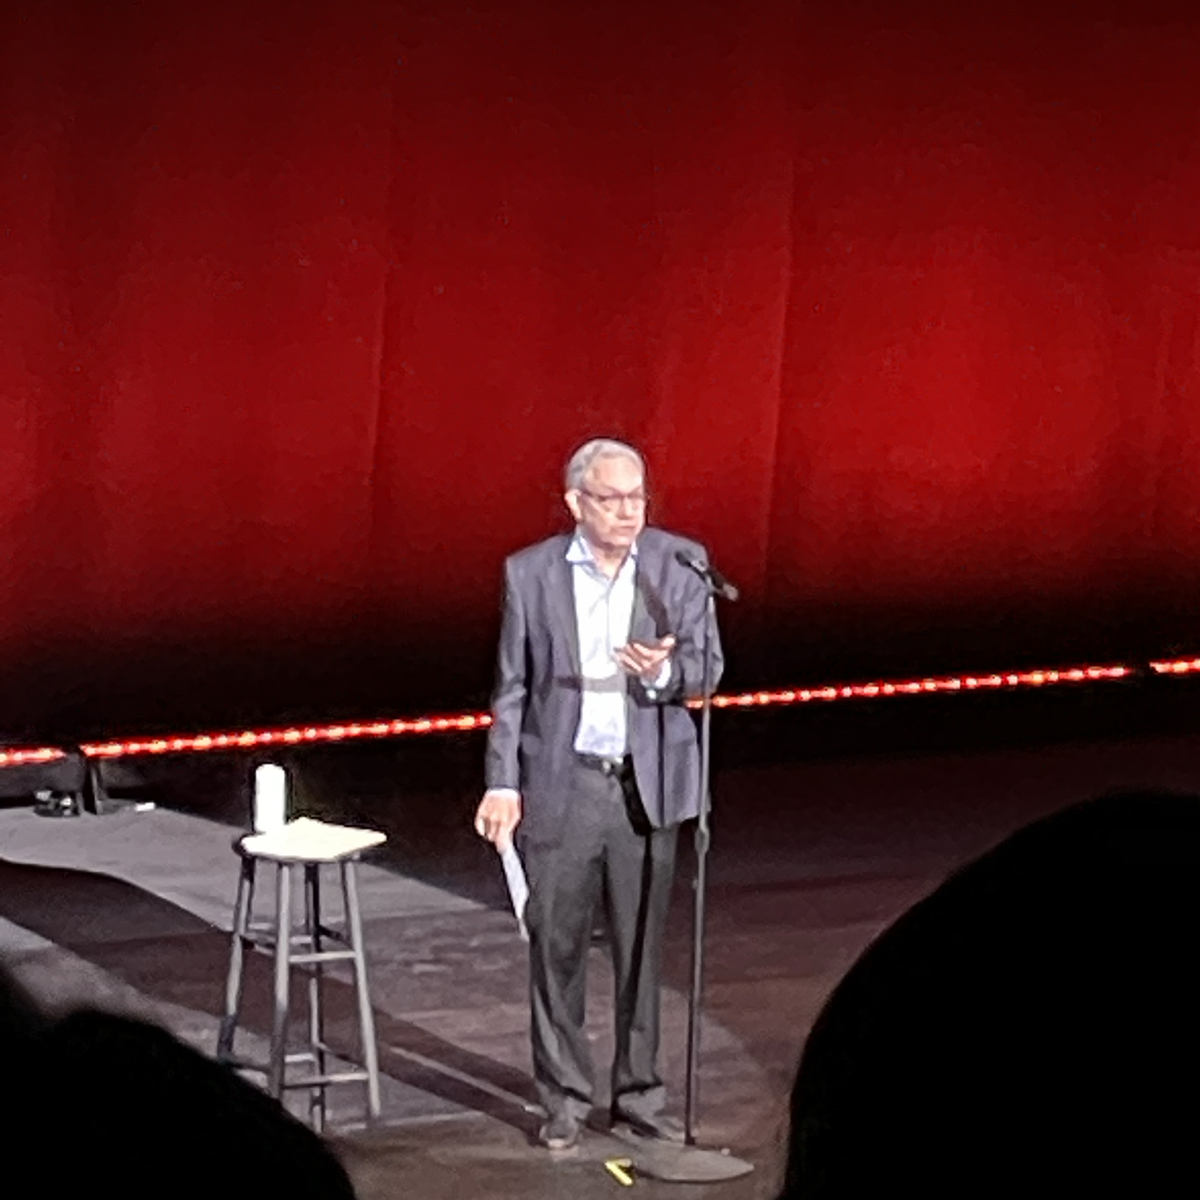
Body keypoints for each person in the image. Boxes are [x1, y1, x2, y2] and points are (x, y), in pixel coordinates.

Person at [474, 438, 723, 1151]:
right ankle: (564, 1098)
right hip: (564, 782)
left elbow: (708, 666)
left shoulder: (681, 562)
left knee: (642, 950)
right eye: (611, 499)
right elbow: (512, 686)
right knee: (555, 948)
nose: (628, 512)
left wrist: (660, 676)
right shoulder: (532, 575)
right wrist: (502, 782)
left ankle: (640, 1097)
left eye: (638, 497)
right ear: (575, 503)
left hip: (647, 788)